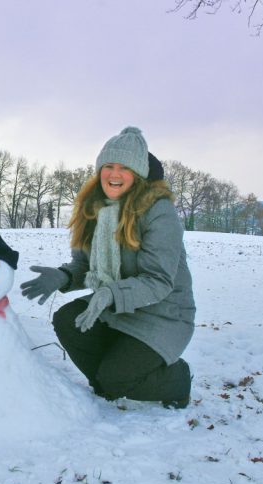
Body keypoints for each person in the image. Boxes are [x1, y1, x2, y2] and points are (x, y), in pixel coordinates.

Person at [20, 127, 195, 409]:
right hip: (115, 307)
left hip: (163, 314)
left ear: (137, 173)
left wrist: (110, 294)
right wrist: (63, 276)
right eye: (109, 166)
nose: (114, 174)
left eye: (124, 168)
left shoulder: (158, 212)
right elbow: (83, 265)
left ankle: (177, 379)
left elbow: (159, 282)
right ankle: (109, 378)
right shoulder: (92, 208)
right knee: (68, 319)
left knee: (116, 379)